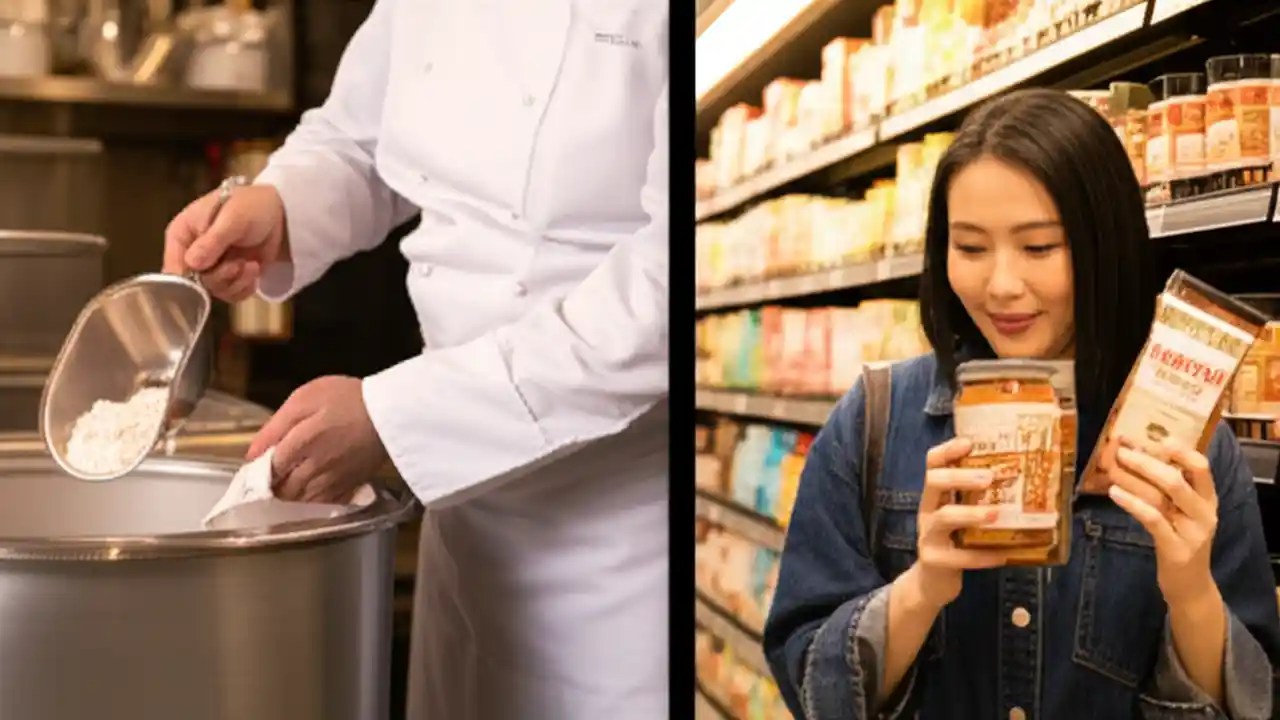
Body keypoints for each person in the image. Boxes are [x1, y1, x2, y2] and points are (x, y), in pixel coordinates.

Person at [161, 2, 669, 719]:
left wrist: (394, 415)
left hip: (616, 543)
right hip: (463, 505)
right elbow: (360, 139)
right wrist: (279, 205)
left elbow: (664, 291)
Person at [763, 89, 1280, 720]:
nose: (1002, 285)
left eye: (1039, 248)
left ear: (1102, 245)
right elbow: (804, 680)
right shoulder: (873, 422)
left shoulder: (1189, 450)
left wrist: (1191, 593)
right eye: (971, 248)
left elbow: (1258, 699)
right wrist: (922, 589)